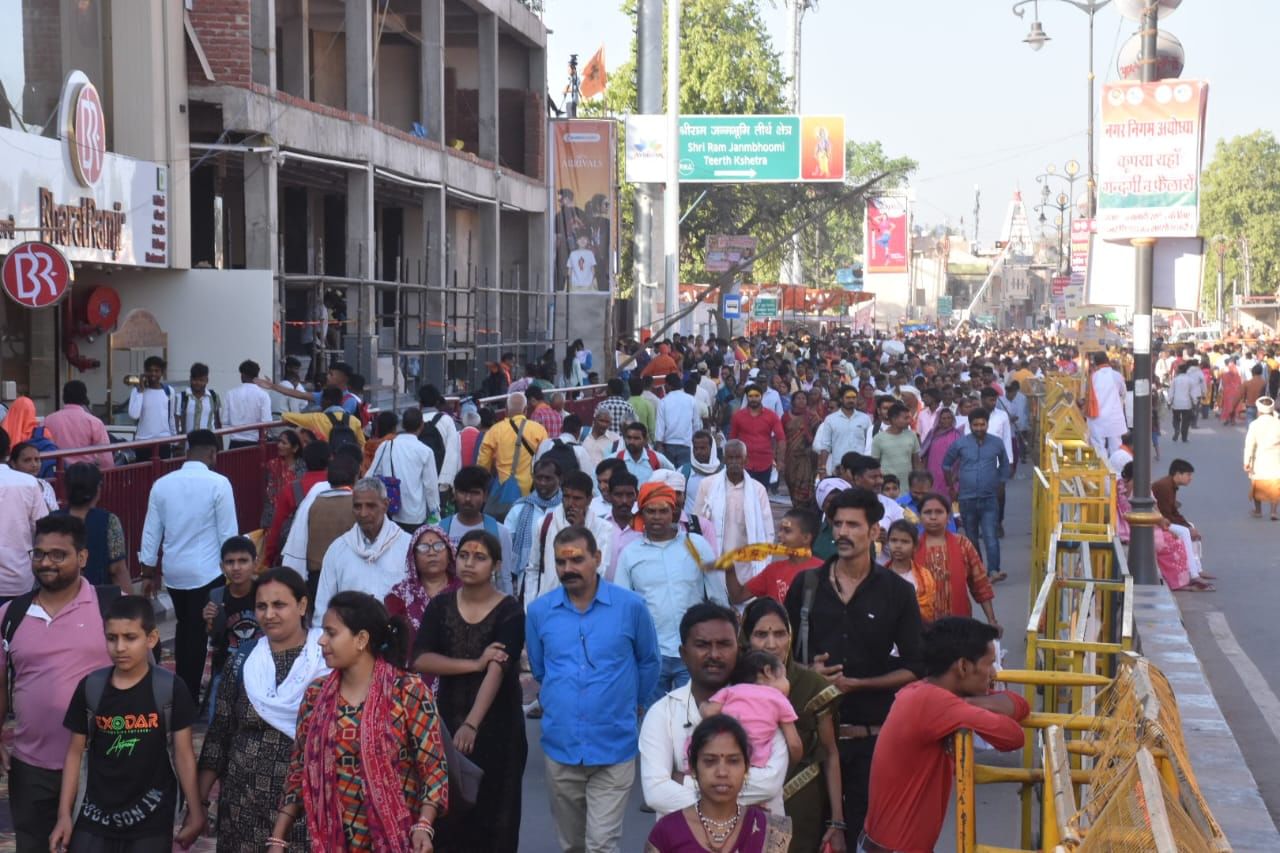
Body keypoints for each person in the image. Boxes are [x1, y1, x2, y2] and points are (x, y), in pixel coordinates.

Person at [784, 487, 924, 844]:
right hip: (811, 744)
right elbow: (775, 658)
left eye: (853, 525)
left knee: (867, 837)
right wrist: (808, 674)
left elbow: (916, 666)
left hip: (871, 743)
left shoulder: (896, 592)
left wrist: (858, 684)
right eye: (837, 524)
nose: (843, 532)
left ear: (874, 531)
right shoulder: (807, 584)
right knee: (807, 839)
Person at [273, 592, 448, 852]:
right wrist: (278, 838)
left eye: (331, 633)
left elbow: (433, 768)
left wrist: (423, 825)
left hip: (395, 839)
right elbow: (299, 770)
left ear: (361, 639)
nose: (321, 641)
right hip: (331, 840)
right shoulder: (316, 695)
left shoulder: (407, 691)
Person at [527, 526, 661, 853]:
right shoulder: (539, 612)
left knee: (601, 845)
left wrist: (635, 703)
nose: (568, 569)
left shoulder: (631, 607)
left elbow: (649, 661)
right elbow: (541, 669)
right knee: (572, 845)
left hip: (614, 746)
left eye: (576, 560)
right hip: (562, 746)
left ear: (597, 559)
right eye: (560, 562)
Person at [51, 595, 205, 852]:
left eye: (130, 638)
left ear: (151, 639)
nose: (119, 647)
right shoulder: (91, 688)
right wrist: (64, 815)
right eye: (112, 638)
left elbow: (183, 753)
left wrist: (196, 810)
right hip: (94, 819)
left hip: (151, 821)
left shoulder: (170, 689)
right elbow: (75, 754)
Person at [862, 618, 1029, 853]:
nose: (994, 673)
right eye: (990, 663)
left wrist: (968, 702)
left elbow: (1020, 705)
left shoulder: (925, 691)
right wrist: (970, 704)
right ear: (963, 666)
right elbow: (1013, 736)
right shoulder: (933, 701)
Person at [0, 515, 113, 851]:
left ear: (82, 557)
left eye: (57, 555)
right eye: (38, 554)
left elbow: (148, 683)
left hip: (103, 764)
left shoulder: (110, 606)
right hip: (31, 766)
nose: (45, 563)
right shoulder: (12, 614)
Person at [198, 568, 329, 852]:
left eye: (279, 605)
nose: (269, 614)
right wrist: (199, 803)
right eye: (261, 606)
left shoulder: (327, 662)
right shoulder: (243, 661)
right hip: (242, 807)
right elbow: (219, 735)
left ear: (302, 605)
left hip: (308, 808)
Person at [414, 530, 526, 852]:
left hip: (498, 729)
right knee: (450, 817)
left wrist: (473, 723)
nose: (469, 563)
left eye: (479, 557)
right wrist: (474, 663)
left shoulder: (510, 610)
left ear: (496, 565)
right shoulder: (441, 605)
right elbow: (421, 658)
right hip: (447, 722)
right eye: (463, 555)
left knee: (496, 818)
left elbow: (498, 668)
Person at [639, 605, 790, 817]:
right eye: (702, 645)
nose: (714, 654)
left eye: (724, 645)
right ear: (683, 654)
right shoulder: (663, 713)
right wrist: (731, 796)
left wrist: (686, 782)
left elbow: (769, 784)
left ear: (738, 649)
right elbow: (656, 794)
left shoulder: (765, 701)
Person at [739, 599, 845, 853]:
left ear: (791, 635)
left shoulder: (811, 685)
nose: (772, 644)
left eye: (779, 634)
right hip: (744, 800)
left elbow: (830, 754)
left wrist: (837, 822)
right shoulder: (734, 685)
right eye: (761, 634)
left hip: (802, 801)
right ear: (746, 638)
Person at [139, 429, 239, 697]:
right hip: (208, 573)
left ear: (186, 452)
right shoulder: (219, 484)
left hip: (174, 573)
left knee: (187, 629)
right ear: (212, 453)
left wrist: (147, 571)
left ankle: (183, 691)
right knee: (207, 634)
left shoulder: (162, 484)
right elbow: (228, 533)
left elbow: (151, 532)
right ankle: (193, 696)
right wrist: (235, 570)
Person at [616, 485, 727, 698]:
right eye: (651, 511)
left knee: (694, 716)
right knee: (653, 721)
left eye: (663, 511)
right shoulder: (630, 554)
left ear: (673, 512)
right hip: (650, 653)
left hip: (693, 649)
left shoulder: (696, 545)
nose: (657, 517)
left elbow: (717, 597)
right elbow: (623, 609)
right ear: (641, 513)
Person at [646, 714, 793, 852]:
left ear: (746, 768)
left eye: (733, 761)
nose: (722, 772)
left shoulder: (771, 830)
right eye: (710, 761)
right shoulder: (666, 831)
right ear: (694, 768)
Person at [313, 477, 413, 616]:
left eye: (370, 506)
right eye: (357, 506)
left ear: (385, 505)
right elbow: (323, 603)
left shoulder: (407, 546)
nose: (363, 513)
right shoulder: (338, 549)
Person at [521, 471, 615, 606]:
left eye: (577, 498)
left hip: (585, 606)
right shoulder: (545, 524)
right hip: (548, 605)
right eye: (566, 497)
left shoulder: (604, 529)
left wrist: (580, 531)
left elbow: (600, 572)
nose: (570, 503)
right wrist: (530, 607)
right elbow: (533, 569)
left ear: (589, 499)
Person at [697, 649, 802, 766]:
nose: (788, 682)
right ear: (768, 672)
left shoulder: (730, 691)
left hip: (725, 755)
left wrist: (702, 704)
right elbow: (794, 743)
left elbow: (709, 713)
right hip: (756, 762)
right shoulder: (779, 699)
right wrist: (792, 763)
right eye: (784, 677)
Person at [1115, 463, 1207, 592]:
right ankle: (1179, 581)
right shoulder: (1137, 486)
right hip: (1141, 527)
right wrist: (1164, 524)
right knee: (1174, 543)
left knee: (1178, 537)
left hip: (1148, 524)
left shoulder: (1130, 485)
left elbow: (1156, 510)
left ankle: (1193, 573)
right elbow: (1150, 511)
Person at [943, 410, 1011, 583]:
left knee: (990, 536)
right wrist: (951, 486)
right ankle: (978, 571)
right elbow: (946, 464)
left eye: (982, 424)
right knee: (971, 538)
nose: (979, 428)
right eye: (976, 425)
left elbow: (1004, 463)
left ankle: (994, 570)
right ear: (970, 425)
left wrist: (1002, 483)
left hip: (989, 497)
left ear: (987, 424)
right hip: (966, 499)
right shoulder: (960, 444)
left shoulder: (996, 443)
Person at [915, 492, 1001, 628]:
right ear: (919, 517)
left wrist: (992, 620)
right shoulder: (912, 547)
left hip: (960, 627)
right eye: (927, 512)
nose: (933, 517)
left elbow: (980, 584)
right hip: (922, 627)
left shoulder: (963, 544)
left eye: (939, 512)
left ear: (948, 517)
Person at [694, 440, 775, 583]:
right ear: (724, 460)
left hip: (748, 564)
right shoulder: (708, 485)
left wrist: (765, 560)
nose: (734, 462)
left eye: (738, 458)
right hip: (716, 556)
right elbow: (698, 524)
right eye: (730, 458)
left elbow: (767, 530)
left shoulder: (758, 490)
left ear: (745, 460)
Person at [202, 536, 264, 717]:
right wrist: (209, 621)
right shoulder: (216, 596)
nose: (236, 567)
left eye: (243, 561)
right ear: (222, 567)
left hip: (261, 671)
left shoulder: (265, 592)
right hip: (226, 669)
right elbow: (213, 636)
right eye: (230, 562)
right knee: (219, 723)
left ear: (255, 563)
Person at [49, 463, 130, 591]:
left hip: (58, 596)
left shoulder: (51, 520)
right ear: (97, 489)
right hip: (98, 598)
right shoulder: (109, 521)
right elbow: (117, 569)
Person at [440, 465, 515, 594]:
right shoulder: (439, 530)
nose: (468, 499)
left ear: (485, 496)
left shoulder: (500, 532)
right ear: (455, 493)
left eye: (475, 493)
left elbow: (504, 577)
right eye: (463, 492)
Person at [726, 508, 824, 606]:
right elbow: (738, 597)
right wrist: (730, 570)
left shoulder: (823, 570)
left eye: (787, 531)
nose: (779, 535)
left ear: (806, 538)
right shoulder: (773, 570)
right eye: (780, 530)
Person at [367, 407, 442, 531]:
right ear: (421, 425)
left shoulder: (386, 446)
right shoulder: (425, 451)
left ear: (401, 425)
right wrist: (435, 516)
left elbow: (370, 476)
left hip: (389, 512)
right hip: (416, 515)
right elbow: (430, 488)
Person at [386, 524, 461, 646]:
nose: (432, 552)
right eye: (423, 547)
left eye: (439, 546)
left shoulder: (465, 590)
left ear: (449, 554)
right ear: (413, 557)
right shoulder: (398, 595)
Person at [1152, 459, 1216, 583]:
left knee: (1190, 527)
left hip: (1164, 518)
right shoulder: (1165, 486)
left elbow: (1174, 512)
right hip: (1159, 521)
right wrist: (1187, 528)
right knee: (1185, 532)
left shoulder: (1171, 485)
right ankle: (1193, 574)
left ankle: (1197, 568)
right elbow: (1167, 514)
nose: (1190, 478)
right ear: (1178, 474)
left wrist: (1188, 526)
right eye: (1188, 475)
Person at [478, 392, 550, 496]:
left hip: (503, 492)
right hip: (530, 491)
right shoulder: (539, 430)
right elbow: (545, 461)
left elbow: (483, 467)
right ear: (525, 410)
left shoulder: (494, 431)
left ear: (506, 410)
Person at [43, 381, 113, 468]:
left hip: (57, 472)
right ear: (84, 397)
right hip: (85, 474)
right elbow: (105, 456)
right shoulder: (94, 422)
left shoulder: (48, 420)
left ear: (64, 397)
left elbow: (43, 447)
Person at [729, 384, 786, 487]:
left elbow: (781, 438)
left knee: (762, 494)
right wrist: (730, 461)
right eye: (751, 396)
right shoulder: (738, 416)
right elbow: (732, 440)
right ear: (747, 397)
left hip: (766, 463)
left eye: (756, 396)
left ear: (761, 397)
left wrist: (780, 460)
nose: (753, 399)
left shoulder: (771, 416)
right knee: (745, 494)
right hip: (744, 463)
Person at [885, 519, 938, 622]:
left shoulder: (924, 577)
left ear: (915, 546)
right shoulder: (880, 576)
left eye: (905, 541)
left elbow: (928, 611)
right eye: (894, 540)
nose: (898, 546)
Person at [282, 385, 366, 450]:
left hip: (328, 463)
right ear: (340, 401)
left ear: (326, 401)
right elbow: (363, 445)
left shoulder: (316, 418)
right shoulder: (355, 421)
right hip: (349, 464)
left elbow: (286, 416)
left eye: (321, 400)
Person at [127, 356, 176, 461]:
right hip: (143, 442)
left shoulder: (169, 391)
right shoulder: (137, 391)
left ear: (162, 372)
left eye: (156, 371)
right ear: (145, 372)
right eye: (150, 371)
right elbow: (134, 415)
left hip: (164, 442)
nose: (153, 374)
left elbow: (171, 417)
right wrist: (140, 391)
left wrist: (175, 439)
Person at [419, 384, 462, 493]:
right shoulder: (446, 420)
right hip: (440, 479)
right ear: (437, 401)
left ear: (420, 402)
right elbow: (453, 451)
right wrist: (446, 482)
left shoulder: (415, 420)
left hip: (418, 479)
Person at [782, 390, 821, 509]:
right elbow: (781, 436)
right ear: (793, 401)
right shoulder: (785, 416)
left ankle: (803, 509)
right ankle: (795, 506)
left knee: (804, 484)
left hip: (807, 457)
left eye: (803, 398)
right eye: (798, 398)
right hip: (790, 456)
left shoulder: (812, 416)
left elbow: (819, 435)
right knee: (791, 481)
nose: (801, 401)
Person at [870, 402, 921, 491]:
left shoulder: (912, 435)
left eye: (909, 417)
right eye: (905, 418)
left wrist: (917, 482)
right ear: (894, 419)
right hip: (887, 488)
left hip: (907, 487)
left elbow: (916, 463)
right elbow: (875, 465)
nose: (909, 421)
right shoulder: (878, 438)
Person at [223, 359, 274, 448]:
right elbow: (267, 422)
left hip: (235, 443)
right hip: (256, 444)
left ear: (242, 375)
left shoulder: (230, 394)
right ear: (257, 375)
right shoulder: (263, 395)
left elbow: (225, 420)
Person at [1085, 351, 1127, 458]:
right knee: (1116, 448)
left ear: (1095, 363)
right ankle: (1117, 472)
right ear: (1107, 361)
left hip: (1097, 418)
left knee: (1099, 448)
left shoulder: (1092, 377)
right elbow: (1123, 393)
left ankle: (1104, 473)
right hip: (1114, 417)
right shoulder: (1116, 376)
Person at [1245, 397, 1280, 519]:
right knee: (1275, 485)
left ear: (1259, 410)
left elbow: (1249, 444)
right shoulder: (1278, 423)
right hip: (1276, 458)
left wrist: (1246, 461)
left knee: (1257, 484)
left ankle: (1258, 511)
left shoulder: (1254, 424)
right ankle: (1274, 512)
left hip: (1259, 459)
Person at [262, 429, 305, 529]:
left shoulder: (302, 469)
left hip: (294, 520)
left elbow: (299, 498)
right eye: (279, 442)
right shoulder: (272, 465)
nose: (279, 445)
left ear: (295, 448)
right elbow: (269, 495)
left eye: (284, 443)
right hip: (272, 517)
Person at [656, 372, 701, 469]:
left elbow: (660, 425)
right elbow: (696, 424)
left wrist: (659, 444)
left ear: (668, 385)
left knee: (670, 475)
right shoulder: (691, 400)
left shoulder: (663, 401)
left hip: (668, 445)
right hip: (686, 444)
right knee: (684, 475)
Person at [921, 407, 963, 503]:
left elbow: (961, 457)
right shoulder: (933, 434)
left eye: (949, 418)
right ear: (939, 419)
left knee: (950, 498)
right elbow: (925, 452)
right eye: (944, 418)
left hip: (950, 473)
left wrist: (956, 474)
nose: (947, 420)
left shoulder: (957, 434)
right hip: (933, 472)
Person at [683, 431, 723, 516]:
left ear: (712, 448)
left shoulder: (724, 472)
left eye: (702, 448)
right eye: (695, 448)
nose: (698, 452)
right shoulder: (684, 471)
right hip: (691, 526)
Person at [176, 362, 223, 434]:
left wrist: (219, 444)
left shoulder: (214, 397)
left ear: (207, 380)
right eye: (195, 379)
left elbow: (217, 424)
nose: (197, 383)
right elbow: (177, 423)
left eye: (201, 380)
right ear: (190, 379)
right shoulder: (181, 397)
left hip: (208, 443)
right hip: (188, 443)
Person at [9, 441, 57, 511]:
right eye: (27, 460)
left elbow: (54, 511)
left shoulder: (45, 484)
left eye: (37, 460)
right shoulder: (9, 487)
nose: (34, 464)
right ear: (13, 464)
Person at [1169, 361, 1198, 442]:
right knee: (1186, 421)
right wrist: (1195, 402)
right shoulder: (1190, 380)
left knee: (1176, 419)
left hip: (1176, 403)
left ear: (1179, 371)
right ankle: (1184, 437)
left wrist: (1169, 401)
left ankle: (1177, 429)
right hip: (1187, 404)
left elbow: (1171, 392)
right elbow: (1193, 393)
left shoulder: (1175, 380)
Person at [1219, 358, 1244, 425]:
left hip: (1227, 393)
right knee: (1234, 406)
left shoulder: (1225, 374)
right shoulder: (1237, 375)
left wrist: (1222, 389)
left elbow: (1223, 384)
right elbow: (1240, 383)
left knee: (1227, 406)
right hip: (1235, 392)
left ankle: (1227, 419)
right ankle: (1232, 420)